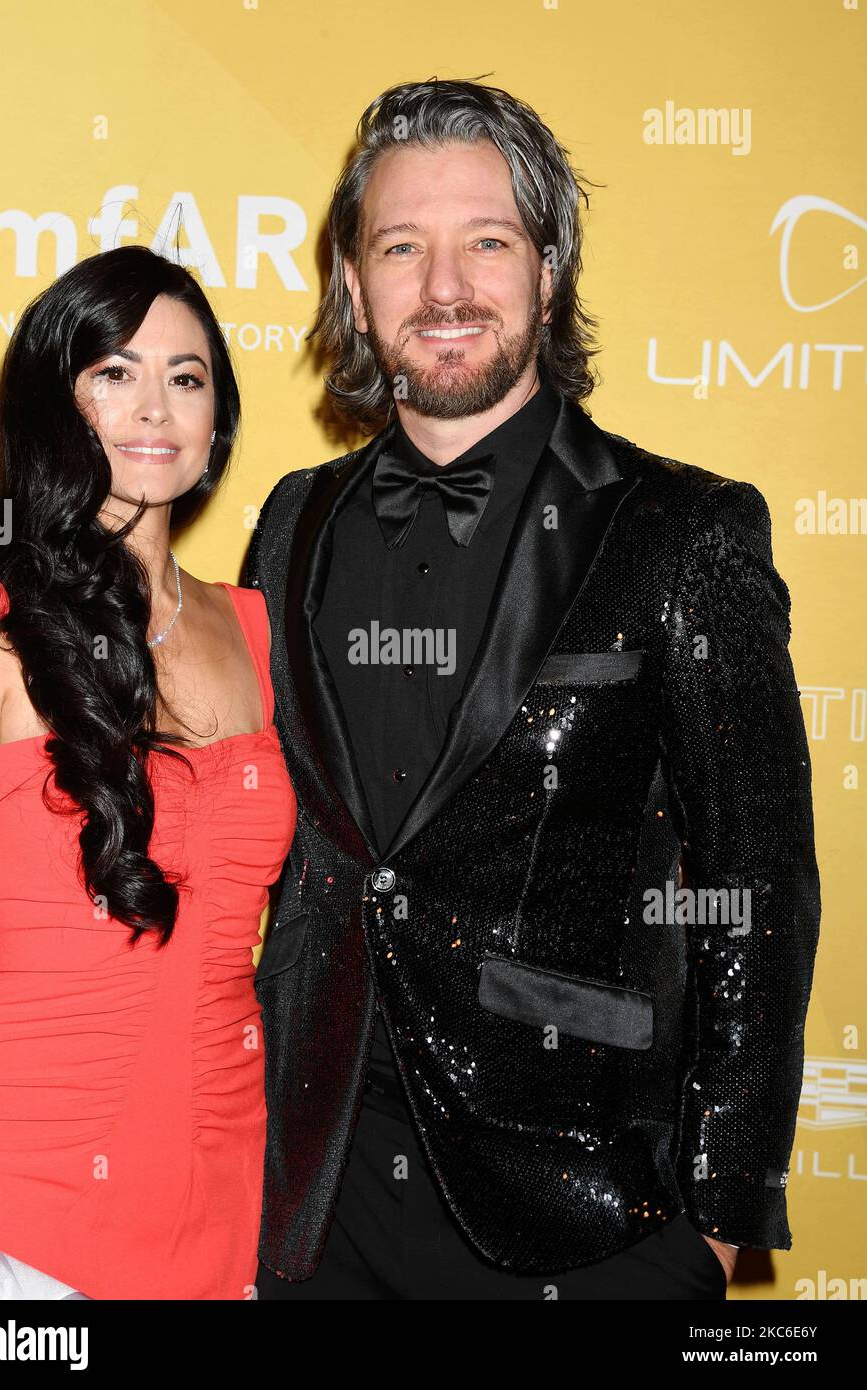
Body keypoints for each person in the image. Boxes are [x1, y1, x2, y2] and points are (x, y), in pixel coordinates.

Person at [241, 77, 820, 1300]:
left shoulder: (682, 530)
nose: (445, 289)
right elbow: (247, 819)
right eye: (403, 246)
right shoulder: (293, 521)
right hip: (315, 1188)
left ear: (549, 271)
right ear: (353, 282)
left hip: (576, 1209)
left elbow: (754, 890)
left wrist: (714, 1229)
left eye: (487, 243)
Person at [0, 245, 296, 1299]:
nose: (155, 408)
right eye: (116, 372)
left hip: (225, 1217)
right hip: (2, 1230)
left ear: (217, 417)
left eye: (186, 377)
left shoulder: (259, 629)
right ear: (61, 399)